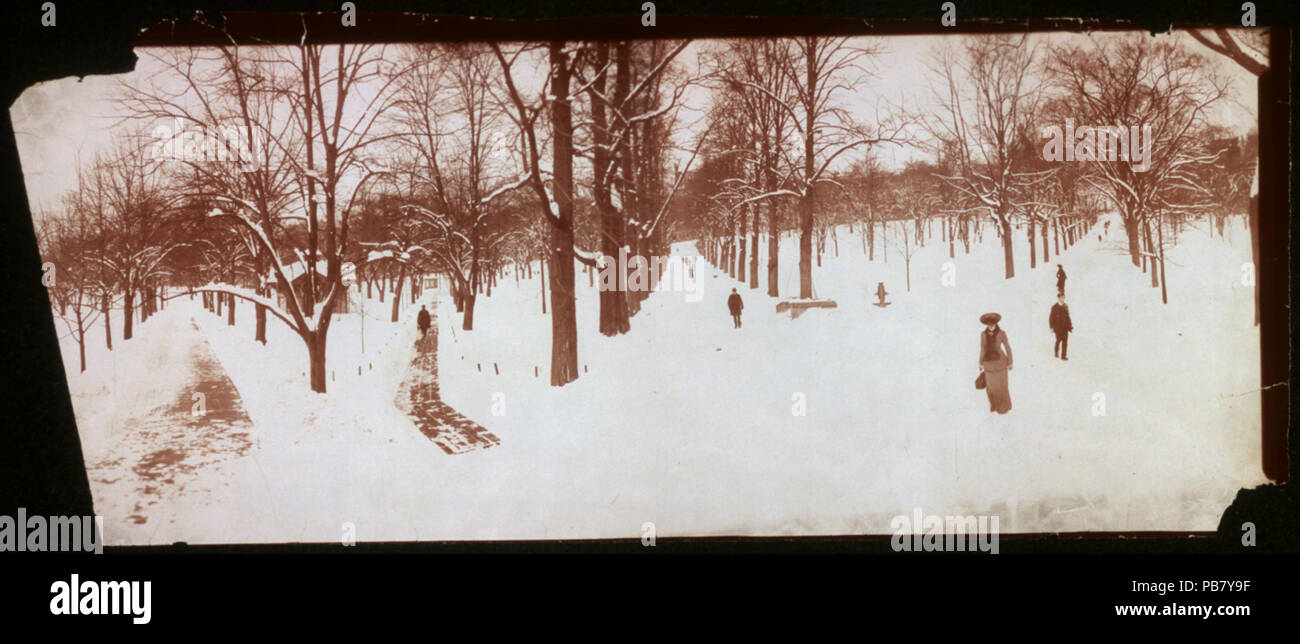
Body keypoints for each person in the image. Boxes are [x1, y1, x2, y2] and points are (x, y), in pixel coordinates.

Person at [978, 312, 1013, 414]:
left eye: (992, 323)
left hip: (1001, 363)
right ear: (986, 324)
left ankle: (1003, 407)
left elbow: (1007, 347)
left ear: (996, 323)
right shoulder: (983, 334)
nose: (990, 325)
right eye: (988, 323)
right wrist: (980, 363)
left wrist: (1010, 361)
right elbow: (982, 349)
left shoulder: (1002, 333)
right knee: (990, 387)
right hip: (988, 364)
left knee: (1002, 386)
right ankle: (994, 405)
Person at [1049, 294, 1073, 360]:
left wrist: (1070, 326)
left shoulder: (1066, 306)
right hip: (1058, 328)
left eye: (1064, 298)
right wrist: (1051, 327)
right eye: (1062, 298)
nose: (1063, 299)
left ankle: (1063, 356)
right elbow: (1051, 318)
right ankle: (1056, 352)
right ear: (1058, 298)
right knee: (1058, 340)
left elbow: (1068, 317)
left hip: (1065, 327)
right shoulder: (1054, 307)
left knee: (1065, 342)